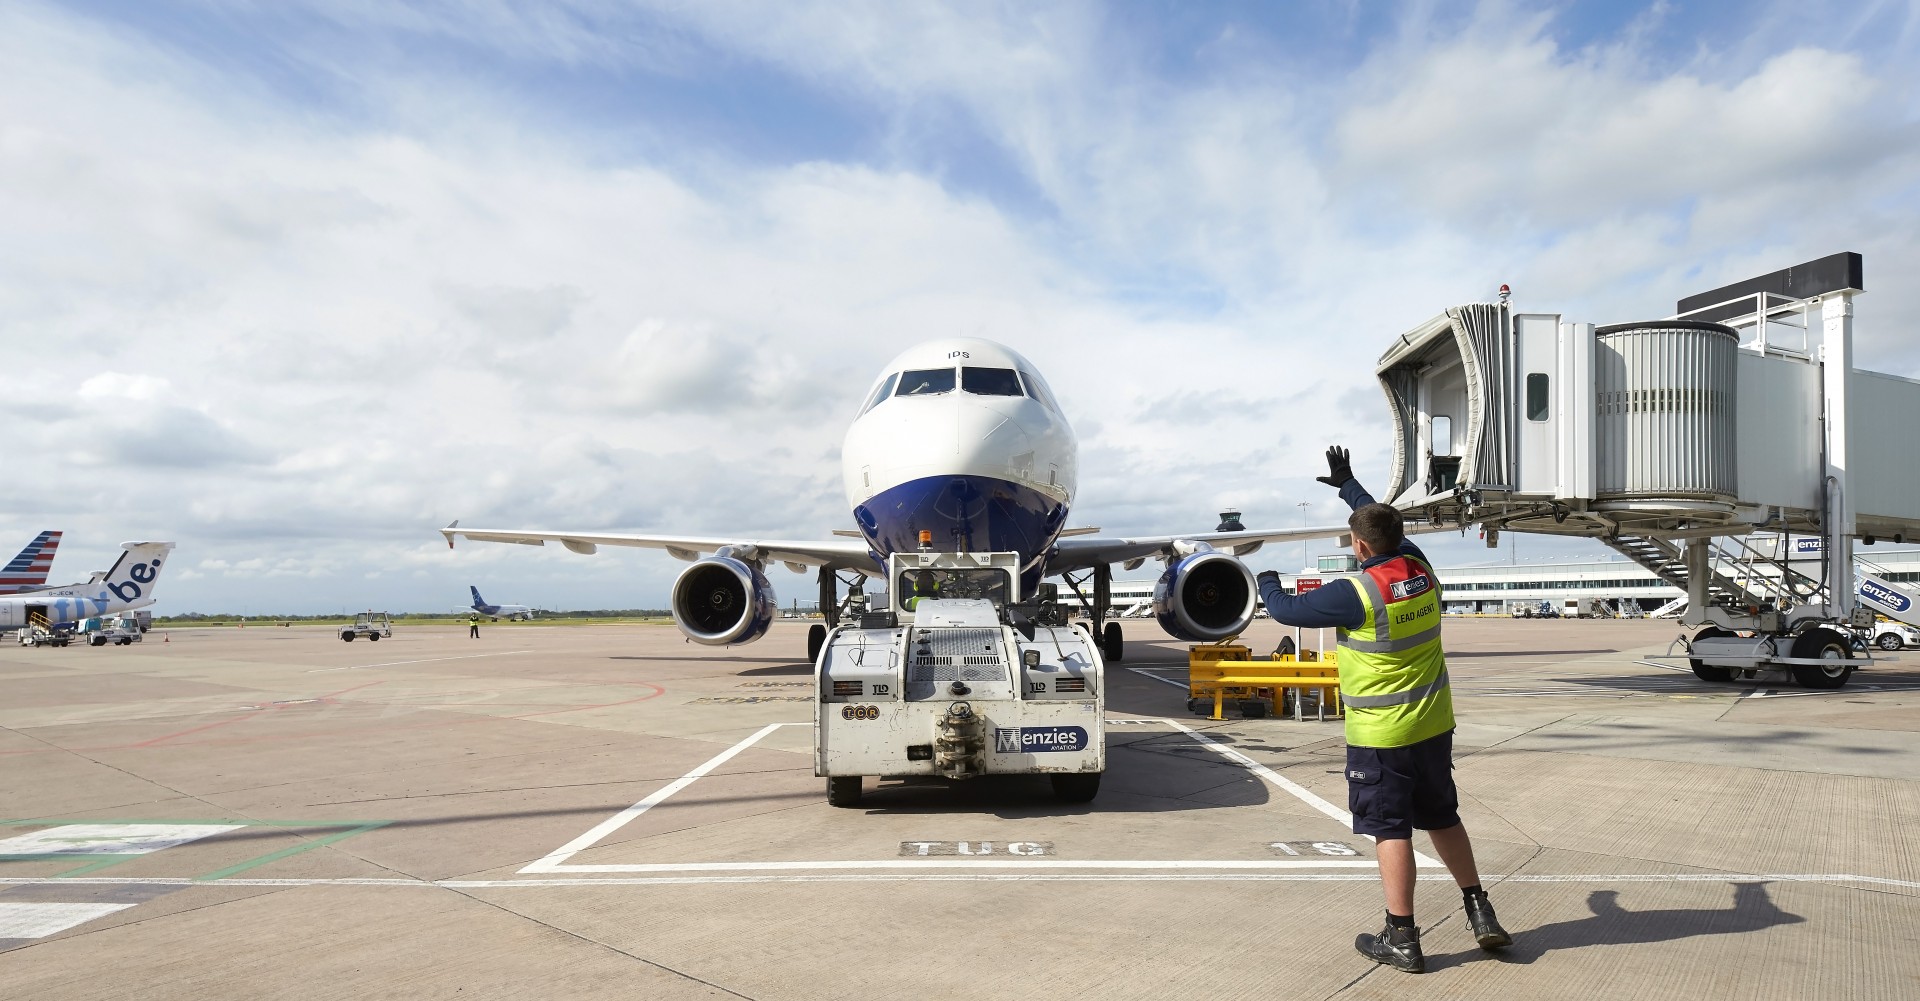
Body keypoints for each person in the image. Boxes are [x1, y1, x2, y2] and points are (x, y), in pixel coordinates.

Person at [1256, 446, 1512, 975]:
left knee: (1391, 828)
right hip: (1433, 725)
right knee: (1443, 816)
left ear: (1359, 546)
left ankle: (1402, 937)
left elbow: (1282, 610)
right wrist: (1350, 485)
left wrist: (1266, 580)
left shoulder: (1357, 592)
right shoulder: (1418, 566)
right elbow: (1379, 519)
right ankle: (1479, 908)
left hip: (1382, 735)